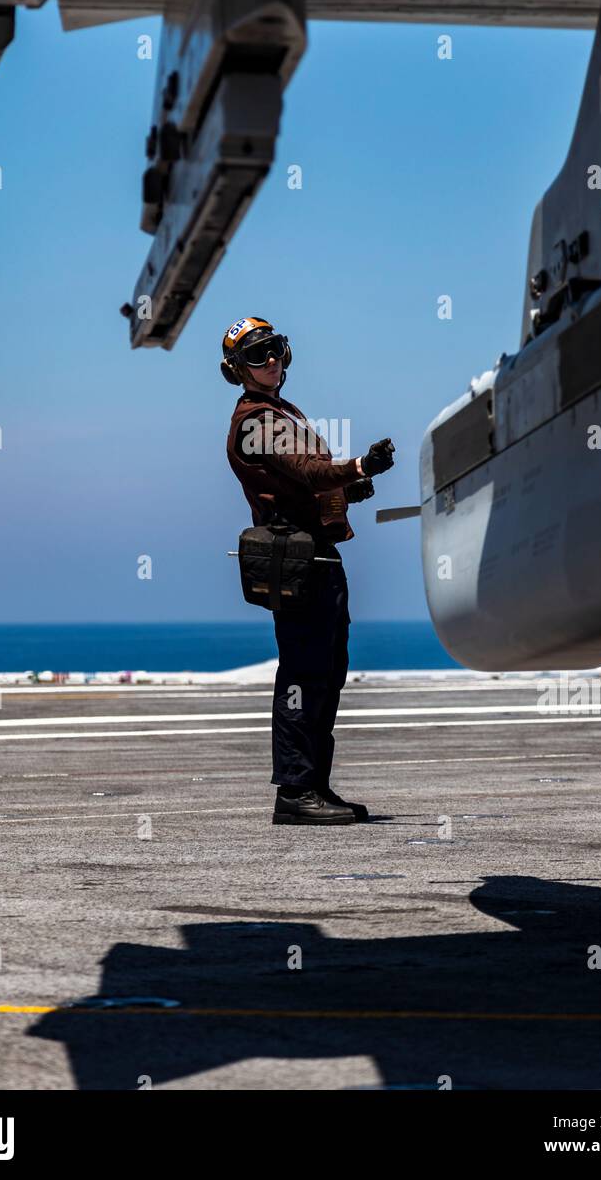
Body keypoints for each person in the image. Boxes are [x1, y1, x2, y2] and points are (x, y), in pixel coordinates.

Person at [222, 316, 395, 826]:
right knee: (303, 674)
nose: (270, 360)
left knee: (325, 675)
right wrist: (359, 467)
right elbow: (309, 471)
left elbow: (306, 486)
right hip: (298, 564)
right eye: (257, 356)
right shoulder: (256, 422)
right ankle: (295, 792)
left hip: (315, 558)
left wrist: (348, 490)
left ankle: (314, 785)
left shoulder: (280, 412)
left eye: (274, 349)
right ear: (237, 369)